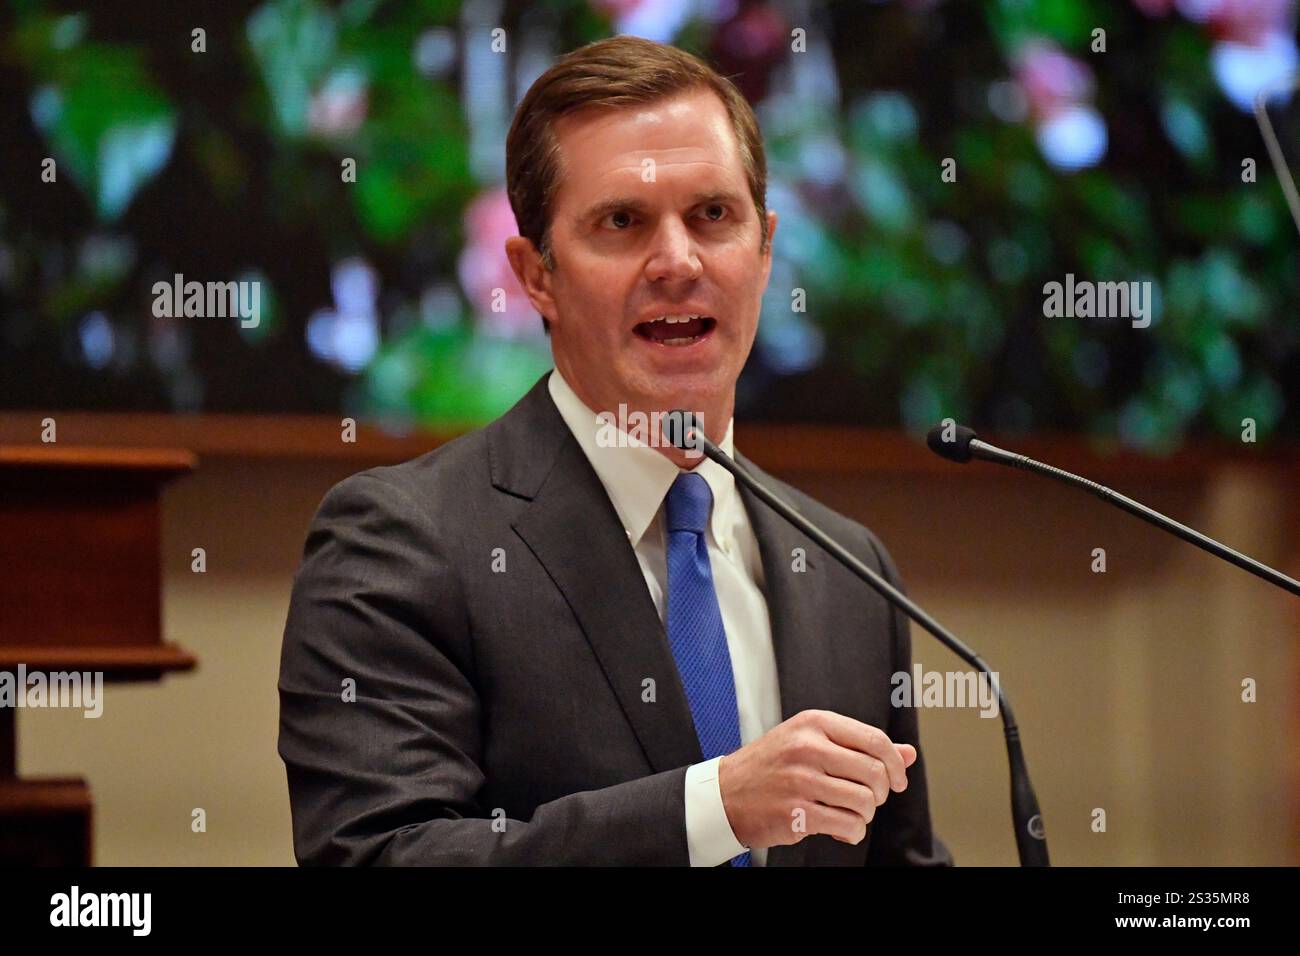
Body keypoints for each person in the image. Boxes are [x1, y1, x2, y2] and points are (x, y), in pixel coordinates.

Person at [278, 34, 952, 867]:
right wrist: (713, 809)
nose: (677, 260)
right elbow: (379, 856)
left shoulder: (849, 569)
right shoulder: (401, 542)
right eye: (622, 222)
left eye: (713, 215)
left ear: (765, 248)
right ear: (536, 276)